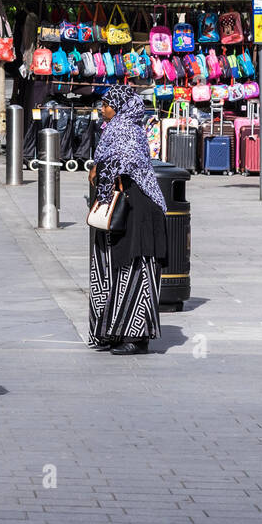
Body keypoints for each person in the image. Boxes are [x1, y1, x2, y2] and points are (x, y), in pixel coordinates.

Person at [88, 81, 167, 356]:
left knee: (135, 269)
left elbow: (125, 163)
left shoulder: (126, 131)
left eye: (108, 104)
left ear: (120, 108)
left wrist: (99, 170)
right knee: (113, 269)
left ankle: (136, 336)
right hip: (122, 207)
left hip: (138, 209)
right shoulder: (116, 130)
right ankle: (113, 329)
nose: (103, 108)